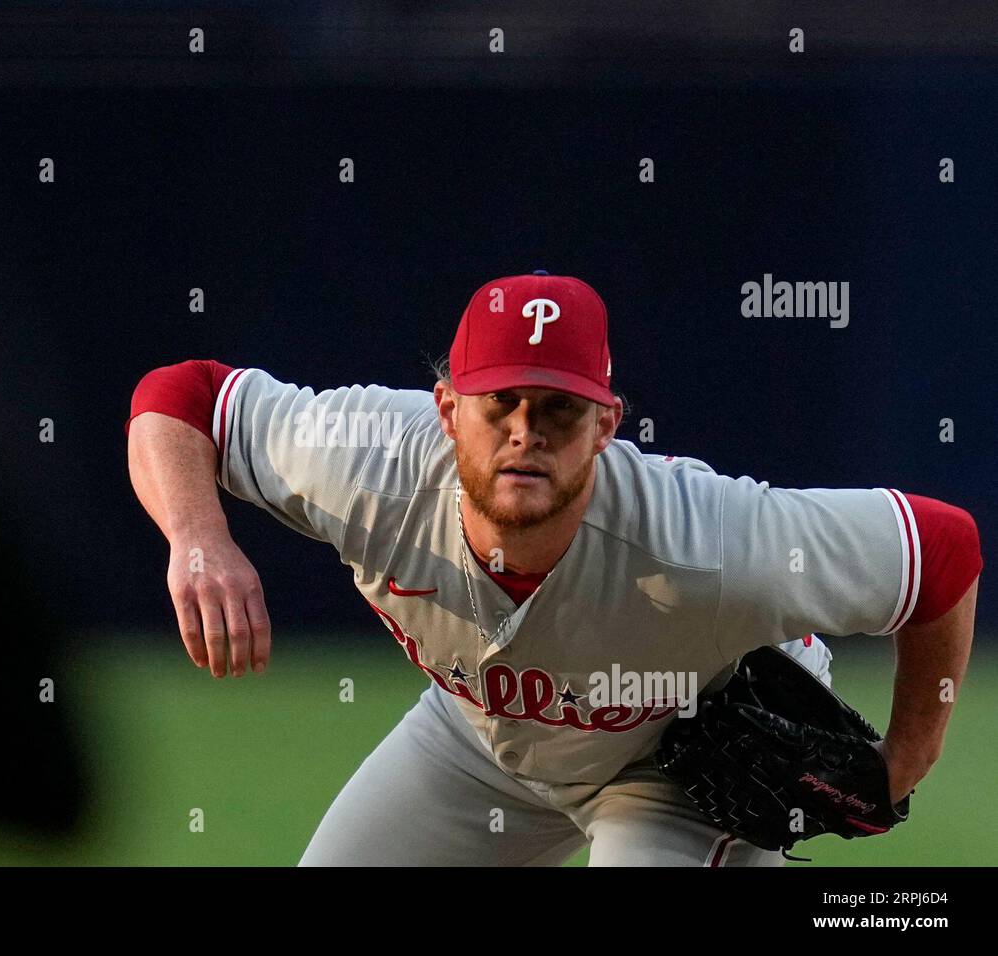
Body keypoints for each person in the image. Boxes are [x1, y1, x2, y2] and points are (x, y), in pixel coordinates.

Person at [124, 272, 981, 866]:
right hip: (476, 740)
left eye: (560, 409)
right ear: (449, 409)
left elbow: (942, 551)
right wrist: (199, 538)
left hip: (673, 770)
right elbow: (180, 395)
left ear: (607, 426)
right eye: (501, 402)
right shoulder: (368, 461)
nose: (526, 430)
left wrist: (904, 759)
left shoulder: (711, 541)